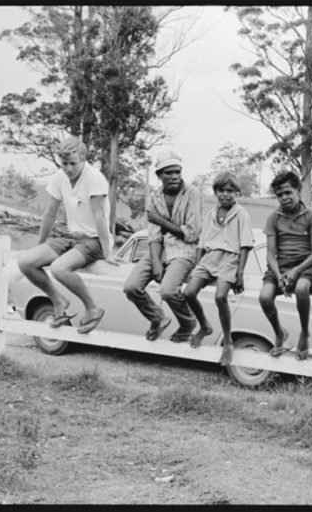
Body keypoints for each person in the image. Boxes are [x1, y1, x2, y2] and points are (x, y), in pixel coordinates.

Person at [16, 136, 117, 335]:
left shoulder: (95, 178)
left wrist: (108, 251)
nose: (69, 168)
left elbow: (100, 216)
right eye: (64, 164)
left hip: (93, 239)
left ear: (83, 159)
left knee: (59, 268)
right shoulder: (60, 177)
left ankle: (92, 307)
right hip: (71, 236)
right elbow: (50, 213)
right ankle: (58, 300)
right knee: (26, 262)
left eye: (73, 163)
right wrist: (40, 244)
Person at [123, 150, 203, 342]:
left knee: (167, 290)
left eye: (177, 172)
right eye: (168, 172)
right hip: (160, 249)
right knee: (131, 287)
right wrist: (156, 262)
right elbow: (154, 235)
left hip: (184, 251)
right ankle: (157, 317)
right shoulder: (154, 197)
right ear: (159, 175)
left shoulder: (193, 194)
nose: (174, 176)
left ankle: (187, 322)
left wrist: (160, 220)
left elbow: (191, 234)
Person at [184, 172, 254, 366]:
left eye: (230, 191)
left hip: (230, 259)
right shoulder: (211, 213)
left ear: (236, 193)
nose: (225, 195)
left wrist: (239, 274)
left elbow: (245, 245)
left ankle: (228, 342)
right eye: (221, 191)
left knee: (220, 296)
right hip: (209, 258)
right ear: (215, 192)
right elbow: (201, 243)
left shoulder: (241, 214)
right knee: (189, 292)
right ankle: (205, 325)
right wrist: (197, 266)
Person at [259, 171, 312, 361]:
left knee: (302, 289)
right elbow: (270, 255)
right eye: (280, 195)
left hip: (305, 267)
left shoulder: (311, 216)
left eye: (288, 192)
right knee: (264, 297)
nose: (284, 198)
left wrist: (296, 272)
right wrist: (279, 275)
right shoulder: (273, 218)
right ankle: (279, 333)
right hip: (280, 267)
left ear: (298, 191)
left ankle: (304, 333)